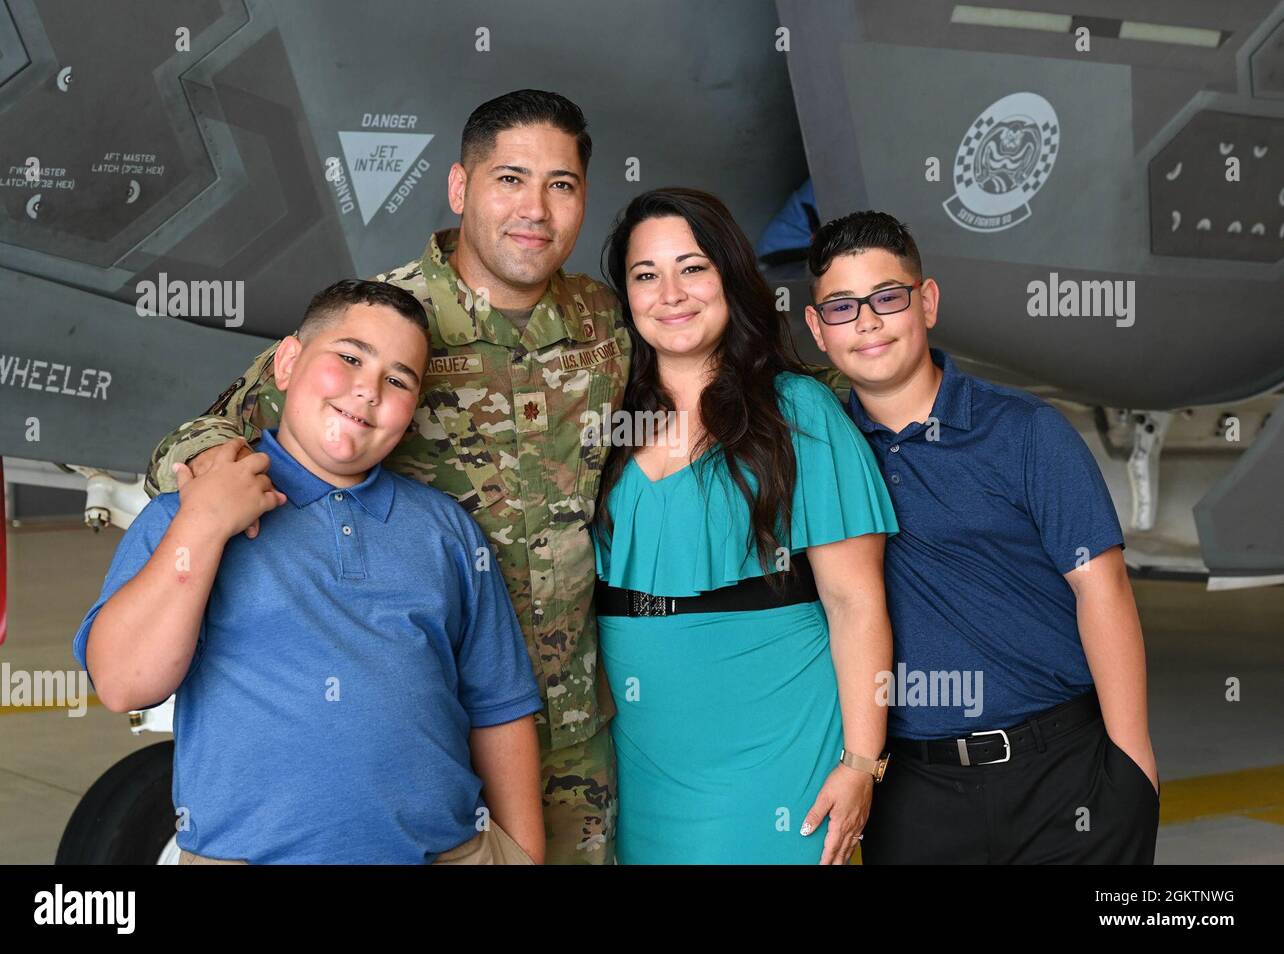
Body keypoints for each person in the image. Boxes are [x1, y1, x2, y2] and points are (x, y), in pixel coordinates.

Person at [144, 90, 629, 863]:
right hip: (422, 734)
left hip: (573, 733)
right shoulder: (383, 326)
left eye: (560, 185)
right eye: (510, 179)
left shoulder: (604, 324)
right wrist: (213, 487)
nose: (535, 208)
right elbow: (195, 437)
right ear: (460, 188)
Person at [74, 280, 544, 864]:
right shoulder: (184, 515)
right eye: (348, 358)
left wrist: (521, 858)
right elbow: (123, 683)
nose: (367, 391)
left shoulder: (445, 530)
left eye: (398, 380)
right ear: (289, 362)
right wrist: (203, 525)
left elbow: (500, 707)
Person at [802, 210, 1160, 864]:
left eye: (888, 297)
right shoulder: (823, 453)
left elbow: (1102, 590)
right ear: (817, 328)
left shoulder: (1026, 432)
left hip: (1062, 773)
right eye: (842, 307)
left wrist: (1133, 768)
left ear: (927, 301)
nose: (868, 322)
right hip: (912, 789)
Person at [590, 188, 897, 864]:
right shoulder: (605, 418)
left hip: (777, 747)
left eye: (693, 267)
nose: (670, 292)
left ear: (730, 276)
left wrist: (862, 763)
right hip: (643, 761)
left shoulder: (798, 410)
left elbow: (855, 602)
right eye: (646, 275)